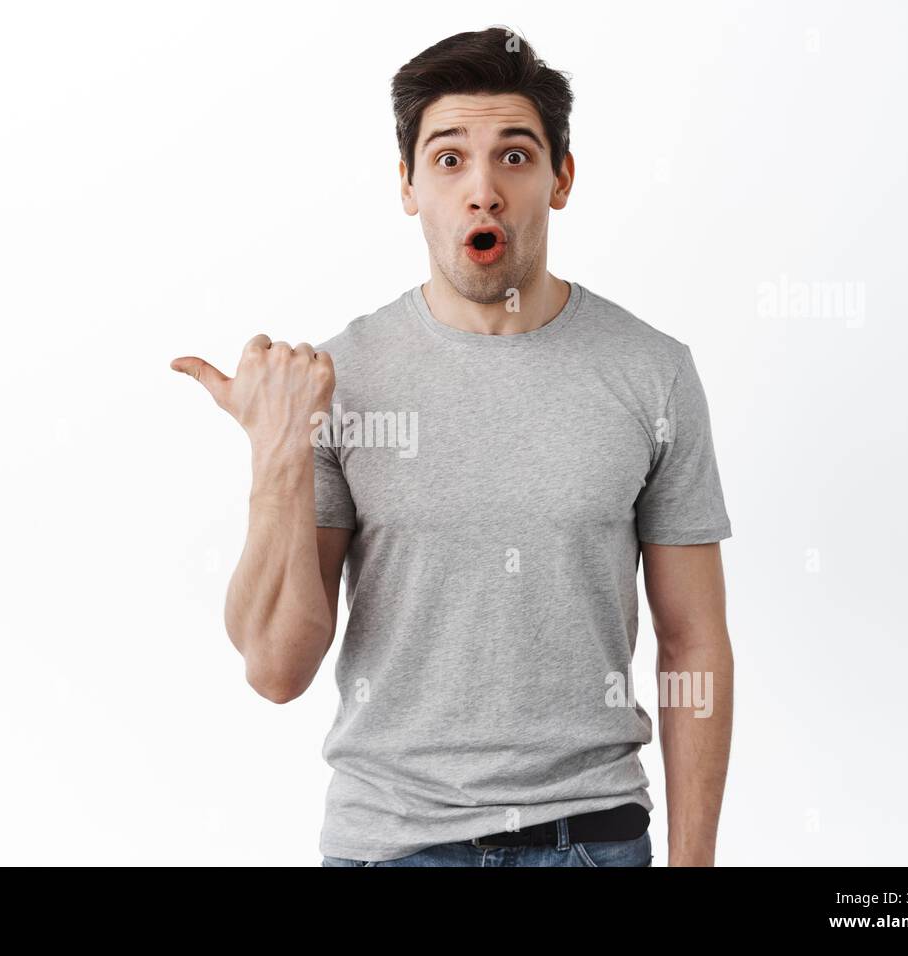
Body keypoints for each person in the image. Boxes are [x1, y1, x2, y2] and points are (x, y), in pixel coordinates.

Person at [171, 27, 734, 868]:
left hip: (593, 839)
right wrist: (278, 452)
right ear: (406, 185)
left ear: (561, 178)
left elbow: (693, 645)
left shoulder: (652, 374)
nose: (482, 190)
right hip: (393, 846)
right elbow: (276, 669)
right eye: (447, 160)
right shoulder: (341, 379)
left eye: (514, 156)